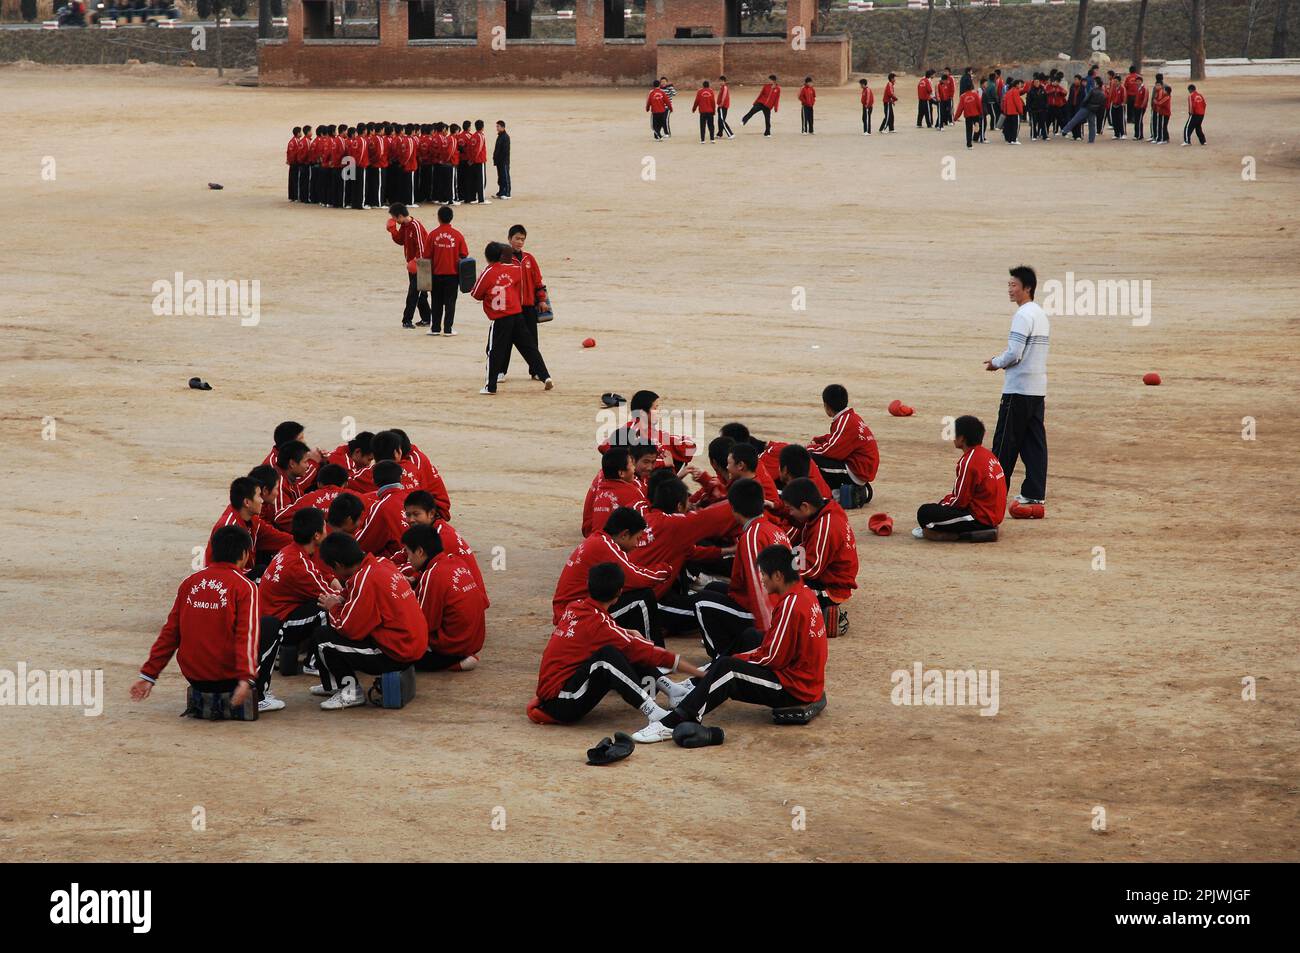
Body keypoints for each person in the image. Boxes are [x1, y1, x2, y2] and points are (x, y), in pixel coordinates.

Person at [631, 544, 827, 744]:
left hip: (794, 688)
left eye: (764, 575)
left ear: (778, 576)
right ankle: (692, 687)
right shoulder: (804, 592)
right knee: (749, 637)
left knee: (727, 668)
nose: (762, 579)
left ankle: (672, 722)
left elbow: (772, 658)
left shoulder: (790, 605)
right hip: (803, 677)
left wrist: (733, 659)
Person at [527, 562, 706, 726]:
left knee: (625, 646)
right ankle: (654, 712)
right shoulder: (598, 624)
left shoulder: (575, 606)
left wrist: (628, 632)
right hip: (561, 704)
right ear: (619, 592)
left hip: (556, 694)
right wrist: (699, 673)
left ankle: (672, 690)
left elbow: (601, 633)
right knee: (610, 656)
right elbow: (651, 653)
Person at [130, 525, 284, 714]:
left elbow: (170, 633)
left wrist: (149, 675)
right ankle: (260, 695)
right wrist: (246, 679)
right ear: (244, 554)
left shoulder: (190, 582)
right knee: (271, 625)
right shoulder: (246, 587)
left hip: (194, 677)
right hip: (229, 678)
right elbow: (247, 634)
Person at [311, 532, 427, 710]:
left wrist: (333, 607)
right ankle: (334, 685)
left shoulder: (366, 579)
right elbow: (352, 592)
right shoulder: (380, 563)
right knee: (332, 623)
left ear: (338, 565)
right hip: (412, 645)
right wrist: (340, 600)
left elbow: (348, 628)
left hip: (397, 653)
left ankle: (350, 692)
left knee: (324, 639)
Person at [692, 478, 789, 659]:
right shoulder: (775, 530)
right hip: (781, 606)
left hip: (769, 612)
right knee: (713, 588)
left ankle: (722, 660)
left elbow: (759, 586)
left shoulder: (752, 537)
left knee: (701, 602)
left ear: (734, 510)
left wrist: (769, 633)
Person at [552, 506, 669, 639]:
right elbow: (637, 578)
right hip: (574, 618)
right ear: (624, 534)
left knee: (636, 597)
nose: (637, 544)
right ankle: (653, 654)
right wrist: (666, 569)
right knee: (643, 598)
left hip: (572, 610)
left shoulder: (600, 539)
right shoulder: (605, 546)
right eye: (637, 538)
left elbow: (631, 571)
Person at [986, 265, 1050, 507]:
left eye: (1014, 285)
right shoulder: (1040, 314)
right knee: (1034, 443)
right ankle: (1034, 492)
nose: (1010, 290)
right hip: (1037, 389)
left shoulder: (1023, 315)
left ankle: (994, 492)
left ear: (1028, 288)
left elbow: (1015, 353)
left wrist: (995, 362)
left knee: (1005, 442)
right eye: (1009, 285)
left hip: (1018, 389)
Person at [258, 507, 338, 677]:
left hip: (271, 616)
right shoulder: (299, 565)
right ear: (316, 535)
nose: (327, 531)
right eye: (324, 527)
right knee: (327, 609)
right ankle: (314, 663)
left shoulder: (290, 550)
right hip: (279, 625)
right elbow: (329, 595)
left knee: (318, 603)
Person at [779, 477, 858, 638]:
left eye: (791, 509)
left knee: (780, 586)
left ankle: (827, 610)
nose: (790, 513)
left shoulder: (825, 526)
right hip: (824, 570)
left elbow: (812, 569)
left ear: (805, 507)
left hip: (831, 586)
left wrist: (782, 569)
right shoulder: (823, 509)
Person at [402, 523, 487, 672]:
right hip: (474, 640)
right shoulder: (455, 560)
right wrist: (416, 581)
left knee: (399, 653)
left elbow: (424, 624)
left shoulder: (432, 575)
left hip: (453, 645)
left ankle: (453, 662)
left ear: (420, 551)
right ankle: (460, 658)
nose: (408, 559)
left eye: (408, 553)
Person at [471, 242, 553, 394]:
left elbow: (476, 293)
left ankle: (491, 386)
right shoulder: (515, 270)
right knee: (529, 348)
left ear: (487, 257)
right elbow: (524, 283)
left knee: (494, 351)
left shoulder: (488, 272)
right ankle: (545, 376)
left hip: (500, 318)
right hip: (517, 314)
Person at [912, 415, 1007, 539]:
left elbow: (960, 501)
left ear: (962, 438)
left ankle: (966, 534)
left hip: (980, 517)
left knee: (925, 513)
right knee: (940, 508)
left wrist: (941, 506)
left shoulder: (968, 462)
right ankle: (981, 529)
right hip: (993, 514)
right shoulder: (988, 455)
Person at [806, 384, 879, 506]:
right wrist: (818, 440)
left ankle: (832, 495)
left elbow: (831, 451)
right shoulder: (850, 417)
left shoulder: (845, 422)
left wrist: (810, 448)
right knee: (817, 455)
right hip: (861, 468)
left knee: (811, 459)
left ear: (827, 406)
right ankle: (836, 491)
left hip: (856, 471)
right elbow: (837, 438)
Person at [205, 476, 292, 571]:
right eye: (259, 496)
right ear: (247, 502)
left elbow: (276, 537)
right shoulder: (229, 528)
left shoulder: (252, 519)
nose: (262, 501)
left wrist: (303, 542)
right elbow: (224, 569)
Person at [499, 224, 549, 382]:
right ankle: (500, 371)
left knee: (532, 341)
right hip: (510, 308)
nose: (520, 242)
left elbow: (538, 281)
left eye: (522, 239)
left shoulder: (529, 259)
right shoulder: (503, 259)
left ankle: (535, 371)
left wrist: (541, 299)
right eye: (517, 239)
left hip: (528, 307)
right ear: (509, 239)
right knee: (505, 340)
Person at [581, 446, 649, 538]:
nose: (634, 468)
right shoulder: (632, 492)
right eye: (632, 465)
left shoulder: (602, 487)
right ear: (621, 473)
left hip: (593, 538)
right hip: (612, 544)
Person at [387, 203, 431, 329]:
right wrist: (393, 231)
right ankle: (427, 318)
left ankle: (407, 320)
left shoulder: (415, 226)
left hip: (422, 264)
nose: (394, 221)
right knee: (421, 294)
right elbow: (400, 240)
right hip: (415, 263)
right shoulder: (405, 226)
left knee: (414, 293)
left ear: (400, 216)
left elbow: (422, 247)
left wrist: (417, 261)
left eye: (395, 219)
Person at [428, 205, 468, 337]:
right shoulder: (458, 235)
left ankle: (435, 328)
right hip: (453, 275)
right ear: (451, 218)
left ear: (438, 218)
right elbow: (464, 255)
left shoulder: (433, 234)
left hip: (436, 274)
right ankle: (448, 329)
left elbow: (426, 255)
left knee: (436, 302)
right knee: (450, 303)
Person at [955, 81, 983, 149]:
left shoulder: (963, 96)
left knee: (969, 130)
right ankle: (976, 127)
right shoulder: (975, 94)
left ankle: (969, 144)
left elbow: (960, 108)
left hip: (968, 115)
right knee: (978, 125)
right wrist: (981, 112)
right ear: (971, 87)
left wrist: (956, 117)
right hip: (975, 114)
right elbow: (979, 104)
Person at [492, 120, 511, 199]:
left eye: (498, 126)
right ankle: (501, 192)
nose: (497, 128)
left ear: (502, 127)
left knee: (505, 176)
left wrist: (501, 160)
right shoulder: (499, 136)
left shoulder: (506, 137)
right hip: (499, 161)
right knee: (500, 177)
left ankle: (507, 193)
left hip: (504, 161)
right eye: (496, 126)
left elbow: (505, 151)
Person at [1001, 79, 1024, 144]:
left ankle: (1009, 140)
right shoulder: (1016, 91)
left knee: (1009, 126)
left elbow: (1004, 102)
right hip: (1015, 112)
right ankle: (1014, 139)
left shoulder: (1008, 92)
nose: (1020, 85)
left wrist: (1005, 111)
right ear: (1016, 85)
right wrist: (1021, 111)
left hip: (1008, 112)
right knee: (1015, 127)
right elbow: (1017, 102)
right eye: (1019, 84)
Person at [1130, 74, 1148, 142]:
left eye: (1138, 81)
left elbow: (1145, 98)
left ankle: (1139, 135)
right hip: (1136, 106)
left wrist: (1142, 106)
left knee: (1139, 121)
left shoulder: (1144, 88)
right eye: (1136, 81)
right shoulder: (1138, 88)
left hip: (1140, 107)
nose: (1136, 83)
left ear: (1141, 81)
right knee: (1137, 121)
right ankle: (1137, 134)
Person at [286, 126, 303, 201]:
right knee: (295, 180)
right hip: (295, 163)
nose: (301, 133)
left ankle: (292, 196)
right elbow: (293, 153)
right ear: (298, 133)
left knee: (293, 180)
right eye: (300, 132)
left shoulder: (294, 141)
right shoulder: (295, 142)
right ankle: (295, 196)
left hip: (293, 163)